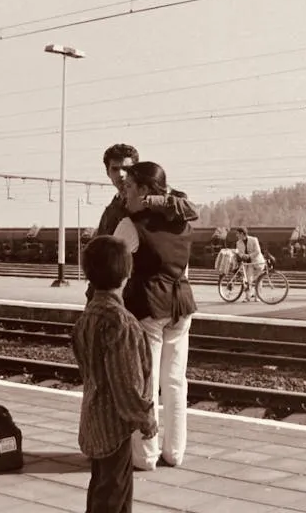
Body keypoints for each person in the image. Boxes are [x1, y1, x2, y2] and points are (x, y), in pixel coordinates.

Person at [112, 162, 197, 470]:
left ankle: (145, 455)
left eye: (130, 187)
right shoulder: (182, 222)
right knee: (175, 381)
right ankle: (174, 452)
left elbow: (111, 269)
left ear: (146, 191)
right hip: (181, 305)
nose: (125, 192)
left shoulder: (131, 225)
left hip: (148, 308)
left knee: (144, 383)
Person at [71, 235, 157, 513]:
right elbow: (127, 383)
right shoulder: (122, 323)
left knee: (102, 487)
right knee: (113, 496)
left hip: (94, 417)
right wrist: (145, 418)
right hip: (115, 426)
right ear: (127, 274)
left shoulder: (87, 316)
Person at [95, 144, 199, 237]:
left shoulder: (159, 192)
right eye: (115, 169)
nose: (121, 174)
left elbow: (192, 210)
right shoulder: (111, 211)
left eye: (126, 168)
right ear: (108, 173)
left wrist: (149, 201)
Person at [234, 227, 266, 301]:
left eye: (237, 234)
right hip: (248, 263)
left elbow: (258, 251)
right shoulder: (238, 243)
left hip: (257, 262)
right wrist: (242, 256)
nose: (236, 235)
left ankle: (257, 296)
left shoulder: (254, 239)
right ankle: (247, 297)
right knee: (248, 279)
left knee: (259, 279)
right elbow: (239, 252)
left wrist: (249, 256)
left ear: (242, 234)